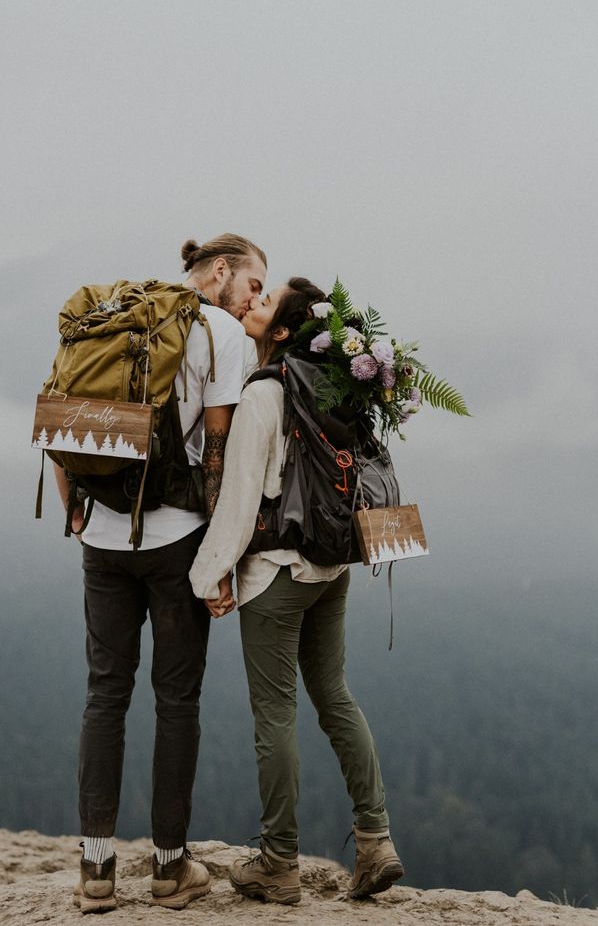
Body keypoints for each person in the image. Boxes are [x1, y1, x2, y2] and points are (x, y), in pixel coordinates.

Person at [51, 234, 267, 913]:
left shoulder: (108, 317)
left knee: (103, 695)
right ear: (222, 270)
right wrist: (220, 557)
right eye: (254, 282)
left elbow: (60, 421)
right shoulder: (221, 331)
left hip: (103, 539)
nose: (255, 296)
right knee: (177, 702)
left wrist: (79, 517)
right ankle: (171, 870)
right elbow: (219, 452)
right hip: (177, 541)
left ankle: (95, 872)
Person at [189, 277, 404, 906]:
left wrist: (209, 574)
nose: (251, 303)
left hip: (277, 574)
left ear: (281, 332)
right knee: (334, 695)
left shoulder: (268, 390)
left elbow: (239, 496)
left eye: (264, 302)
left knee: (275, 716)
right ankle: (376, 840)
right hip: (330, 568)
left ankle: (279, 863)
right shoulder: (339, 386)